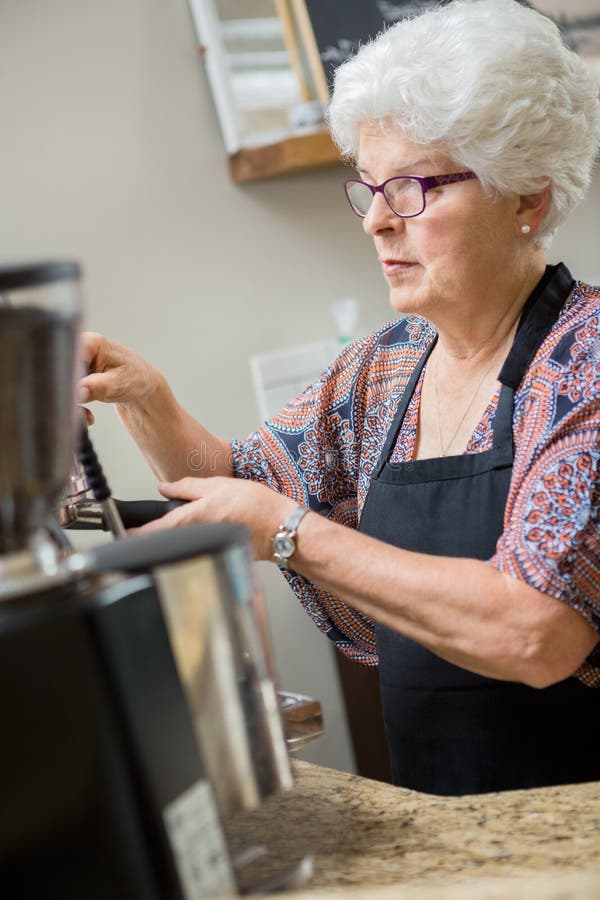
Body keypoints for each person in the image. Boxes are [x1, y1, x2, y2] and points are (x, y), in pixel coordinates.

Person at [80, 0, 600, 795]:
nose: (378, 223)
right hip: (444, 827)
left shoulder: (584, 366)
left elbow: (536, 631)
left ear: (525, 197)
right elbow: (244, 487)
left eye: (414, 189)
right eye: (370, 189)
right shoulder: (383, 370)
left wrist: (290, 535)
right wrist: (145, 398)